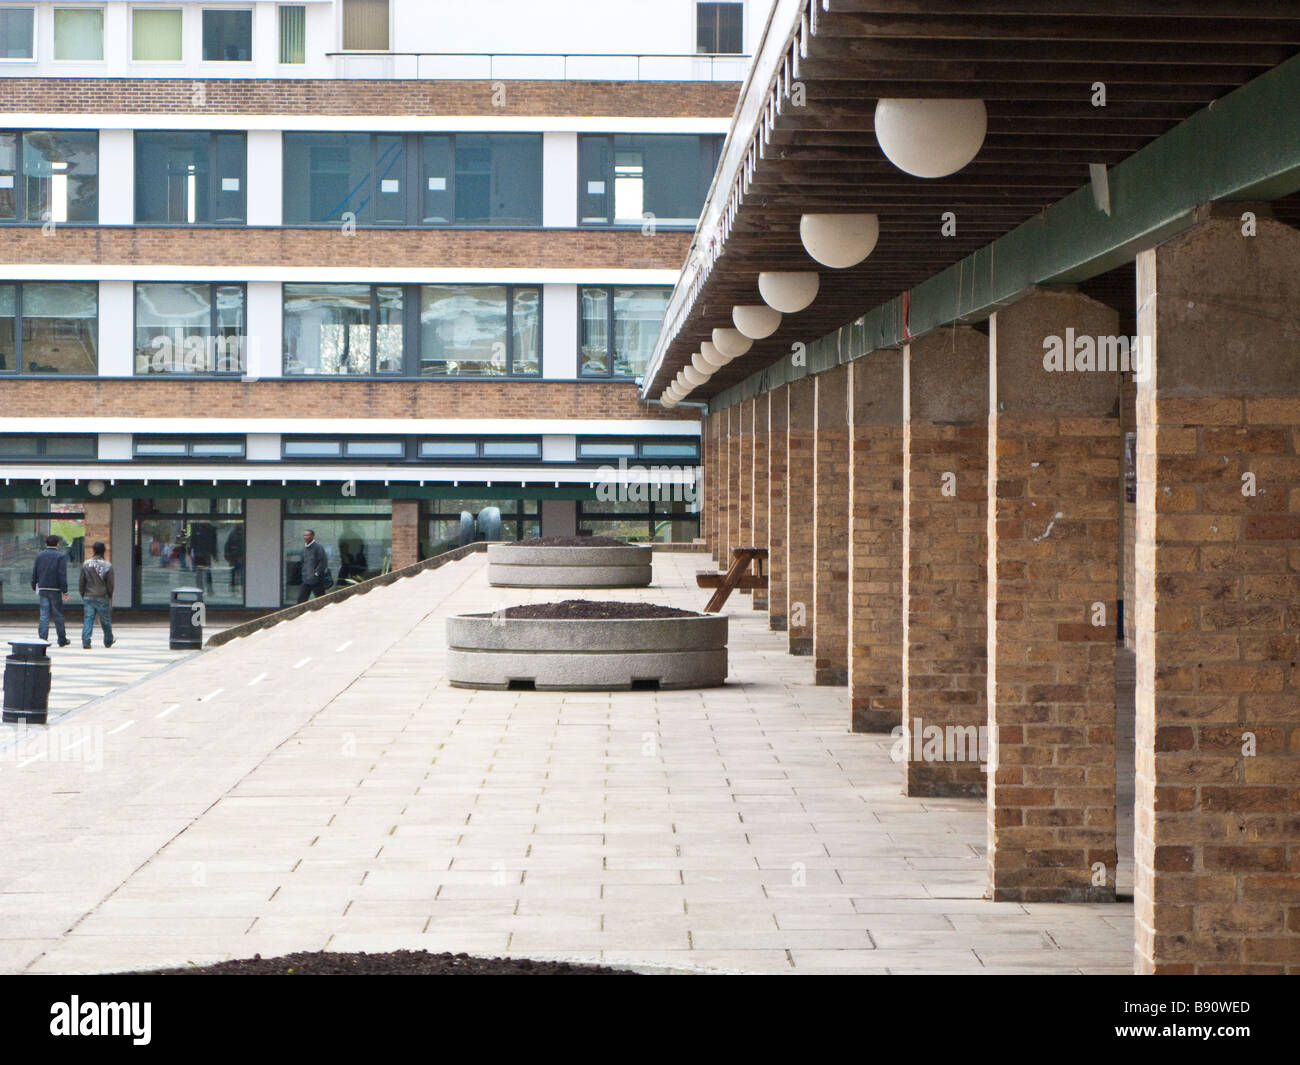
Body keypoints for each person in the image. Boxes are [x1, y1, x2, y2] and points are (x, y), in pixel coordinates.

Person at [30, 533, 70, 647]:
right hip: (55, 589)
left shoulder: (40, 555)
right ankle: (62, 639)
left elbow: (35, 572)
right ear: (57, 544)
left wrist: (34, 585)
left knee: (44, 615)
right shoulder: (60, 556)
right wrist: (65, 591)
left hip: (42, 587)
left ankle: (42, 639)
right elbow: (62, 574)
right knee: (58, 615)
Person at [78, 541, 116, 649]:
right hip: (102, 595)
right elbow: (110, 584)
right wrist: (109, 595)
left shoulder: (86, 564)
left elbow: (82, 582)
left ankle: (86, 641)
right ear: (103, 551)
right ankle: (108, 640)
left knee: (88, 619)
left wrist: (83, 593)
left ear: (93, 550)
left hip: (88, 595)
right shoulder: (107, 565)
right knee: (105, 620)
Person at [296, 529, 331, 603]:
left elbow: (323, 562)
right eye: (304, 535)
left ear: (312, 536)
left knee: (321, 601)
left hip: (317, 580)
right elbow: (302, 562)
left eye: (307, 535)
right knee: (301, 600)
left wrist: (316, 573)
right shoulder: (303, 549)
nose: (305, 537)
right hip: (306, 579)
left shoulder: (318, 548)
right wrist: (304, 573)